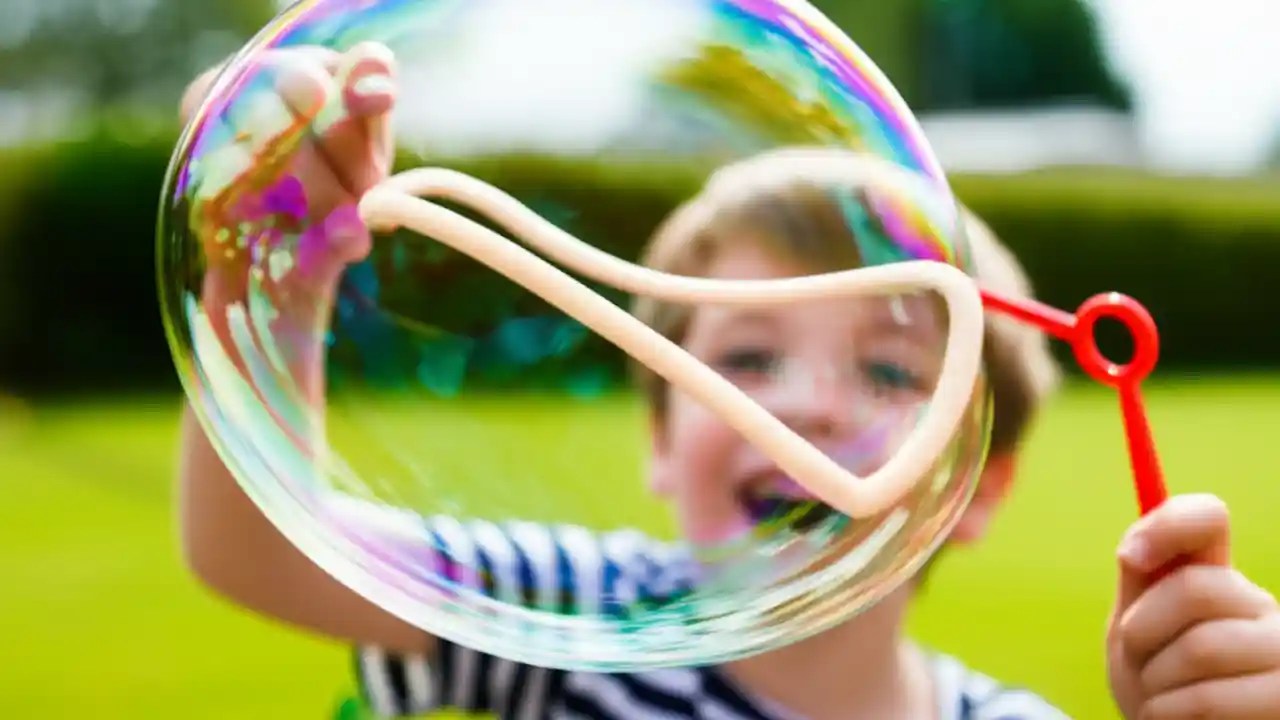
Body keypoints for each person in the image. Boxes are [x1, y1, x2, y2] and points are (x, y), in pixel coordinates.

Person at [177, 43, 1280, 720]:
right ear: (660, 439)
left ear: (976, 488)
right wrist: (272, 274)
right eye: (747, 357)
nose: (798, 404)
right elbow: (256, 549)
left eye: (890, 369)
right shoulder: (576, 615)